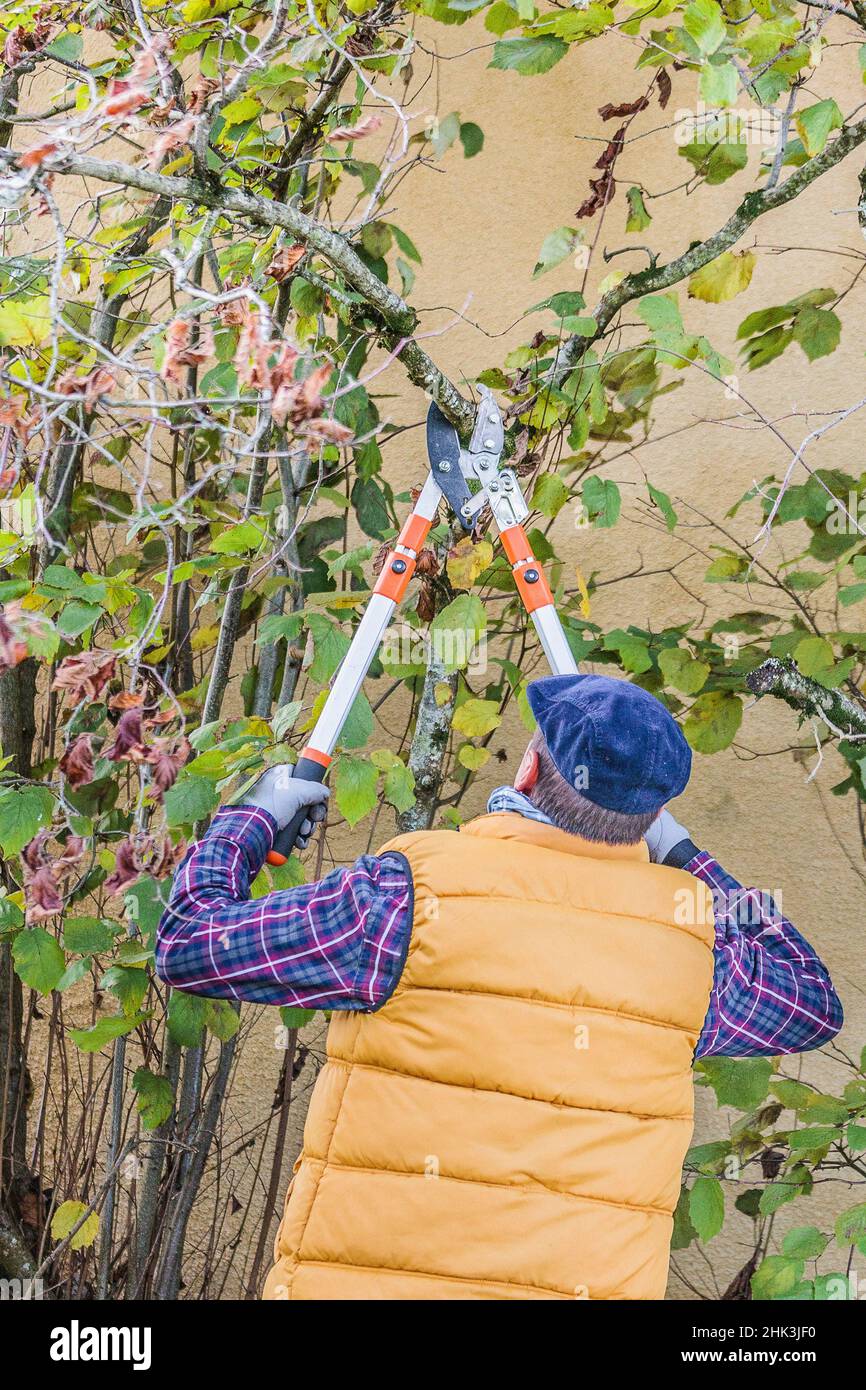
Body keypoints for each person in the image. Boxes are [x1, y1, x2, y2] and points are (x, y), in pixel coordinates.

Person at [156, 673, 842, 1300]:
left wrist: (249, 819)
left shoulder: (408, 896)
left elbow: (189, 941)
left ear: (529, 768)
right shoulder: (693, 947)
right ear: (652, 814)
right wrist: (688, 860)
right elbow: (811, 999)